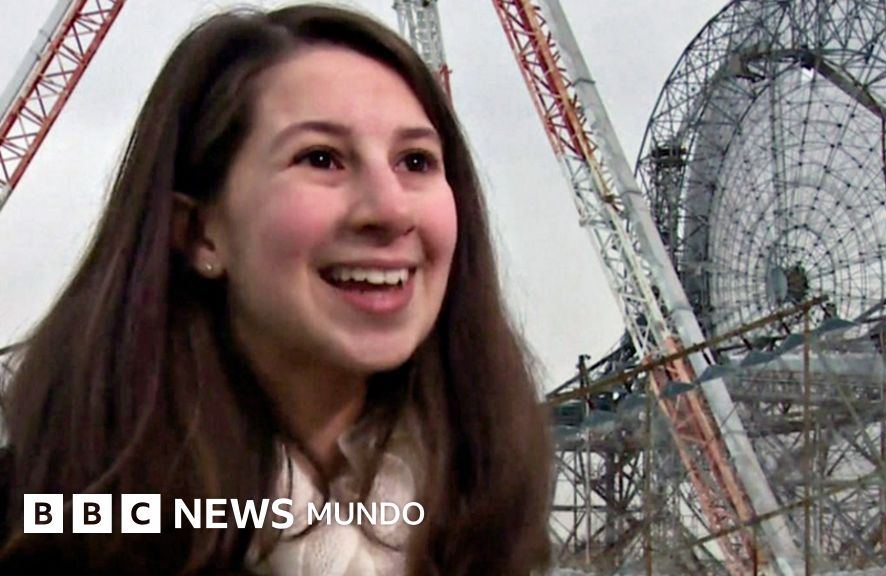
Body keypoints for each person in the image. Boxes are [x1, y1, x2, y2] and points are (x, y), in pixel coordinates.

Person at [0, 4, 552, 575]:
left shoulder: (484, 517)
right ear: (199, 233)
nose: (390, 209)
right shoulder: (54, 524)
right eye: (321, 159)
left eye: (415, 160)